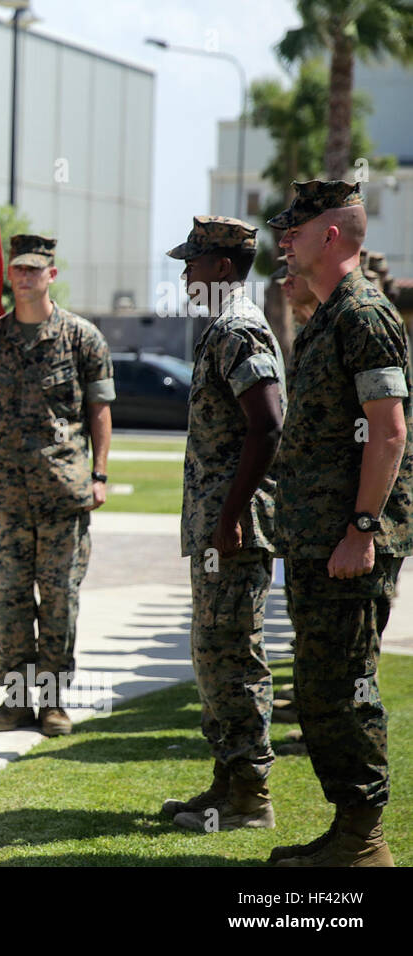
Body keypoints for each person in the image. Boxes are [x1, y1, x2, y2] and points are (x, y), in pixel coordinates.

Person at [268, 180, 412, 867]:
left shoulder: (364, 315)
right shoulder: (328, 316)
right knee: (322, 686)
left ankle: (365, 842)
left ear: (330, 235)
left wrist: (362, 529)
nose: (284, 240)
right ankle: (349, 832)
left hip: (348, 543)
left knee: (345, 684)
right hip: (317, 540)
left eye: (295, 230)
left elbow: (389, 432)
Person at [158, 216, 285, 832]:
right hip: (218, 527)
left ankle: (249, 798)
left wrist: (231, 516)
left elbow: (267, 425)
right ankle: (228, 782)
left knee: (231, 654)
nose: (185, 274)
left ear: (224, 269)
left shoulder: (239, 330)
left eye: (194, 263)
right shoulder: (221, 329)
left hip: (235, 530)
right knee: (214, 654)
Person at [0, 234, 114, 737]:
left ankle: (51, 702)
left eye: (34, 270)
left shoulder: (82, 337)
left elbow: (99, 411)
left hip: (62, 492)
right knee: (8, 600)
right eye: (18, 270)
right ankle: (17, 700)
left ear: (52, 274)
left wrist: (100, 474)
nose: (24, 278)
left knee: (60, 600)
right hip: (4, 493)